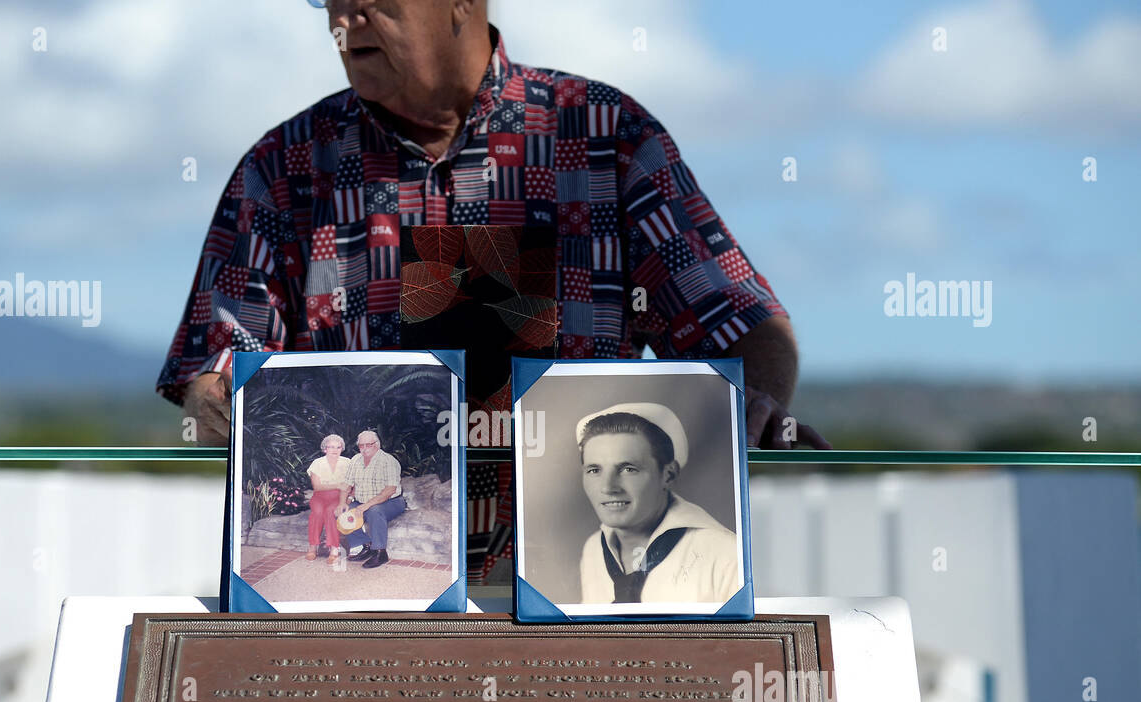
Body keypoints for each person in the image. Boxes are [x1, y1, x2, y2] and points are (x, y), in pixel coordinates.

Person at [157, 0, 829, 577]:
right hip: (368, 590)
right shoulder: (284, 168)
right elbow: (220, 362)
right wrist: (216, 395)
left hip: (573, 585)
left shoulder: (605, 138)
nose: (344, 13)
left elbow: (745, 328)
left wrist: (753, 407)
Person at [576, 403, 740, 605]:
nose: (608, 487)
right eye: (594, 470)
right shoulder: (593, 549)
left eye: (628, 469)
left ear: (668, 474)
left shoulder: (725, 553)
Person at [336, 430, 406, 568]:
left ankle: (380, 552)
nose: (365, 448)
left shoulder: (389, 461)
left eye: (369, 445)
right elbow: (346, 485)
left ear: (378, 445)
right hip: (362, 501)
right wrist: (342, 503)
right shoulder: (355, 460)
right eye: (361, 445)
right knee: (344, 513)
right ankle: (366, 545)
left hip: (391, 501)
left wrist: (364, 506)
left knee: (374, 511)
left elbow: (389, 491)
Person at [305, 433, 349, 560]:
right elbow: (317, 487)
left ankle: (334, 549)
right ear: (325, 449)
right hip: (319, 496)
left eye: (338, 447)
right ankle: (313, 547)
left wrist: (347, 497)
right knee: (317, 513)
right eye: (331, 447)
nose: (335, 450)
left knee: (331, 512)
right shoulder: (317, 463)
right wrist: (338, 484)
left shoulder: (348, 463)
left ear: (342, 449)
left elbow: (350, 485)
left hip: (339, 497)